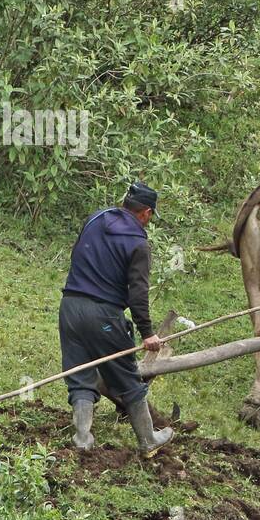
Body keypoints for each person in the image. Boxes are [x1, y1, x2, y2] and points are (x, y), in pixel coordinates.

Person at [59, 182, 174, 455]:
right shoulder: (138, 244)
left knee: (80, 374)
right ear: (146, 212)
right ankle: (148, 440)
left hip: (70, 307)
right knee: (129, 379)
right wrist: (148, 334)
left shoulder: (95, 219)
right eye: (149, 217)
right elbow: (138, 294)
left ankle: (82, 439)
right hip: (104, 315)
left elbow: (77, 254)